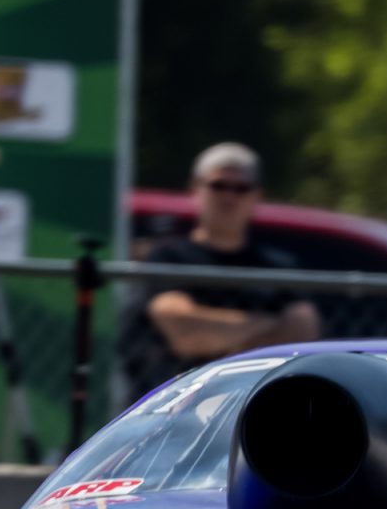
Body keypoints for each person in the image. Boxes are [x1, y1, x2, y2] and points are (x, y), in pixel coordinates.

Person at [122, 143, 321, 398]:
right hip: (178, 402)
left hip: (258, 400)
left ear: (256, 196)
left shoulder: (278, 265)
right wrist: (269, 326)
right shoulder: (169, 257)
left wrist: (218, 335)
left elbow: (303, 331)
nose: (229, 197)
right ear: (195, 189)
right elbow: (185, 332)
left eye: (241, 188)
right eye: (218, 186)